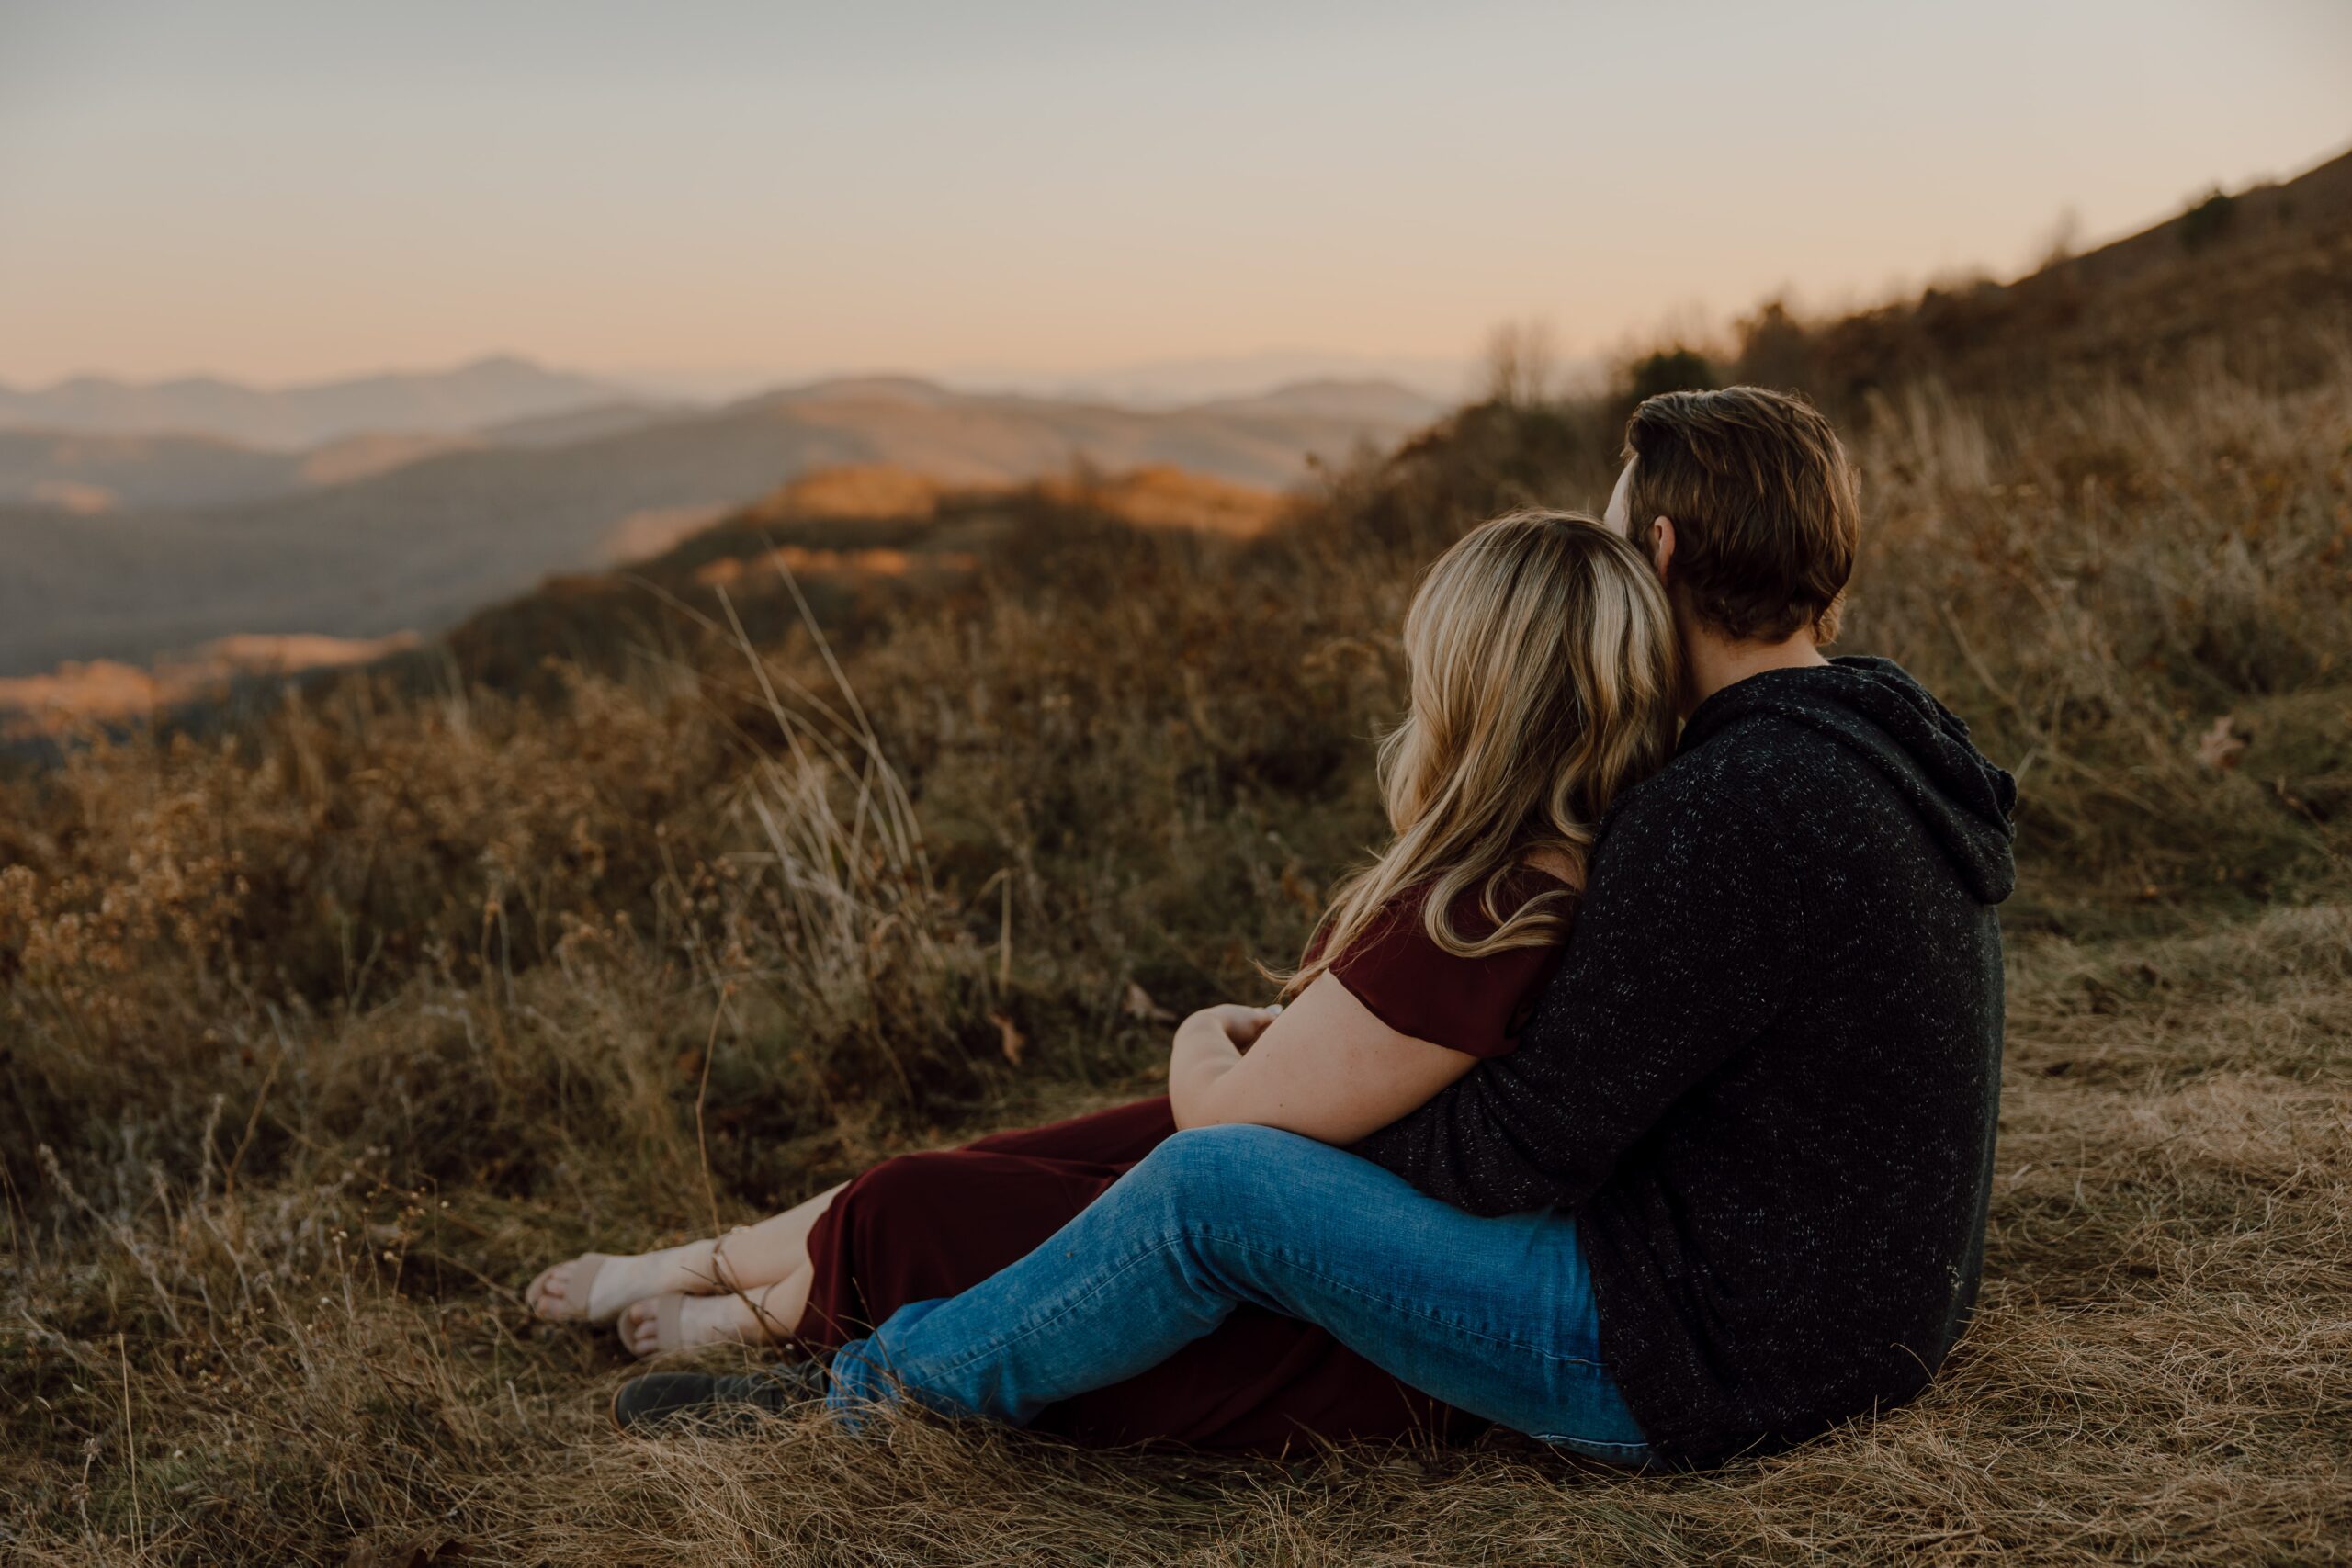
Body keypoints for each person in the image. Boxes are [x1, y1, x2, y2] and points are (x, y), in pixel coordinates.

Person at [603, 385, 2018, 1469]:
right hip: (1828, 1314)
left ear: (1655, 547)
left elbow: (1531, 1140)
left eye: (1609, 532)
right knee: (1212, 1162)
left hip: (1710, 1360)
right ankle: (841, 1315)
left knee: (1216, 1190)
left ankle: (857, 1408)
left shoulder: (1738, 800)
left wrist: (1266, 1116)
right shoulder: (1865, 740)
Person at [530, 506, 1684, 1454]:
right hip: (1345, 1166)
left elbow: (1218, 1128)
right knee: (997, 1162)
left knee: (908, 1210)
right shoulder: (1540, 862)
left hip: (1322, 1299)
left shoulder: (1498, 911)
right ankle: (700, 1264)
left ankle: (744, 1320)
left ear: (1475, 687)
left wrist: (1199, 1030)